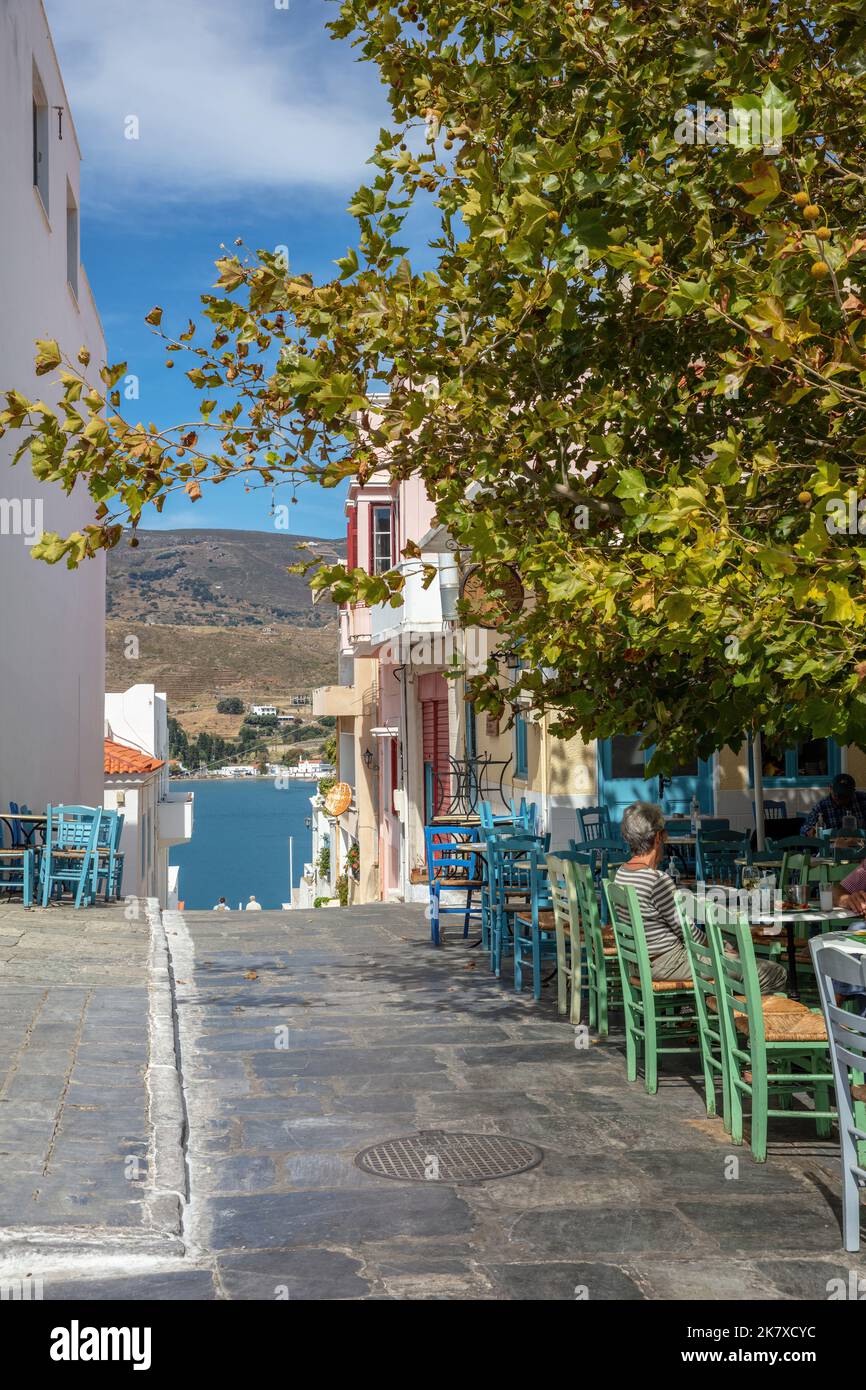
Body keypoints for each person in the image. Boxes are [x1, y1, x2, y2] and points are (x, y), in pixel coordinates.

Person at [614, 801, 787, 994]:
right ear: (657, 838)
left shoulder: (622, 873)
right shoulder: (657, 880)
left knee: (735, 947)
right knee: (772, 972)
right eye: (665, 834)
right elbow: (690, 934)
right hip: (671, 964)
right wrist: (720, 948)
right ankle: (744, 1021)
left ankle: (729, 1011)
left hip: (642, 961)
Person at [802, 773, 866, 839]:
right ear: (830, 788)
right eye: (837, 795)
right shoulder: (822, 806)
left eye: (845, 796)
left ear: (853, 792)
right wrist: (809, 831)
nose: (840, 799)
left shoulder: (862, 799)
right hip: (832, 847)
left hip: (860, 845)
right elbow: (805, 828)